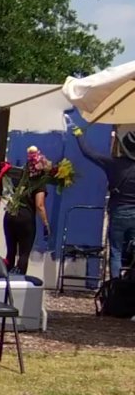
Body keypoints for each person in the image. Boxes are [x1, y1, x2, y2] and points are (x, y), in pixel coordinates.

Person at [69, 118, 135, 278]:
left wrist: (78, 133)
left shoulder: (113, 163)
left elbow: (88, 152)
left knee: (116, 252)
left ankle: (115, 288)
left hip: (118, 212)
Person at [3, 176, 50, 276]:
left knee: (10, 252)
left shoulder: (16, 177)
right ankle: (19, 281)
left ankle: (5, 282)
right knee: (24, 254)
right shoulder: (39, 180)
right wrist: (46, 223)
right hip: (25, 219)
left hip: (9, 216)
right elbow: (39, 205)